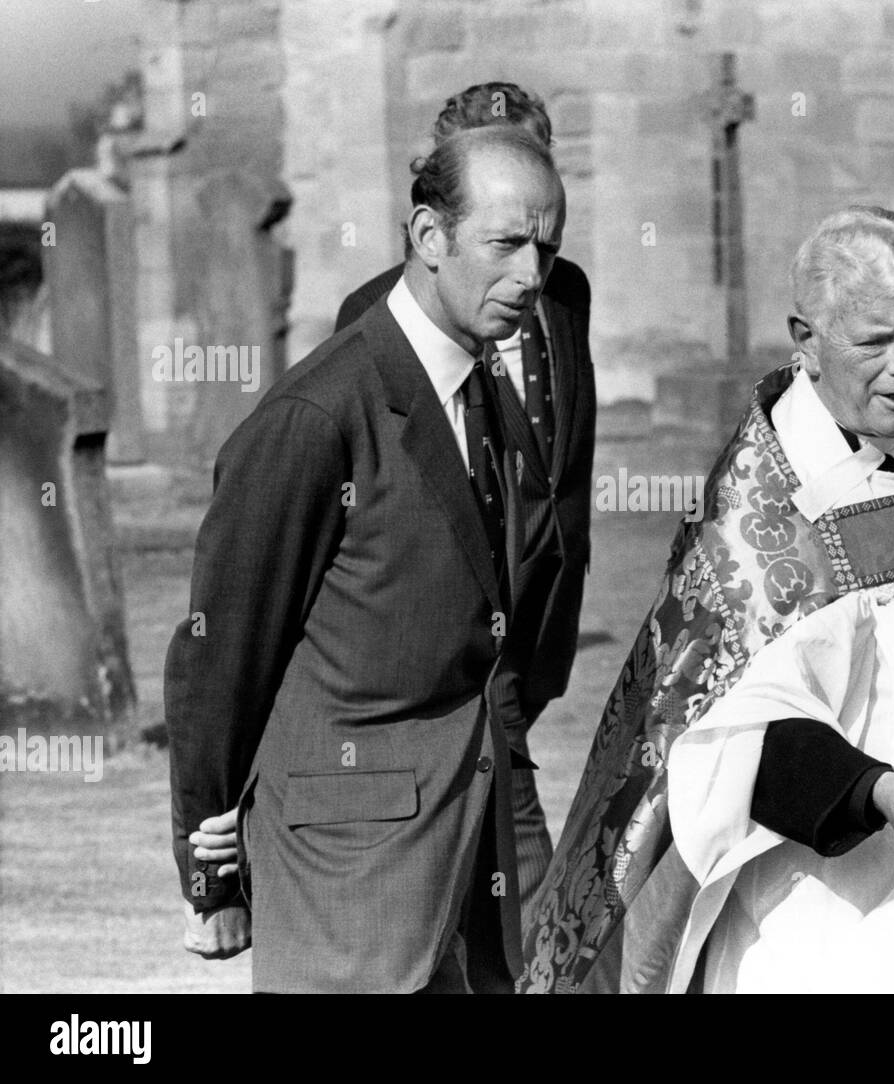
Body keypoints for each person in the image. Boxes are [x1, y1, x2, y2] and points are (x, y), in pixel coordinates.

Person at [521, 206, 894, 994]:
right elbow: (714, 733)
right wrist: (870, 791)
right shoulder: (760, 503)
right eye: (873, 343)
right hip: (813, 916)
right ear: (807, 342)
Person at [166, 124, 567, 992]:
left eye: (547, 247)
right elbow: (217, 655)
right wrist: (212, 878)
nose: (533, 277)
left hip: (485, 842)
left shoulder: (484, 391)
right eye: (506, 244)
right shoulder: (316, 417)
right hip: (349, 870)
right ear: (428, 237)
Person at [333, 83, 594, 921]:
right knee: (530, 876)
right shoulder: (376, 313)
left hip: (540, 609)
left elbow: (564, 454)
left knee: (480, 854)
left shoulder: (565, 292)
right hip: (451, 626)